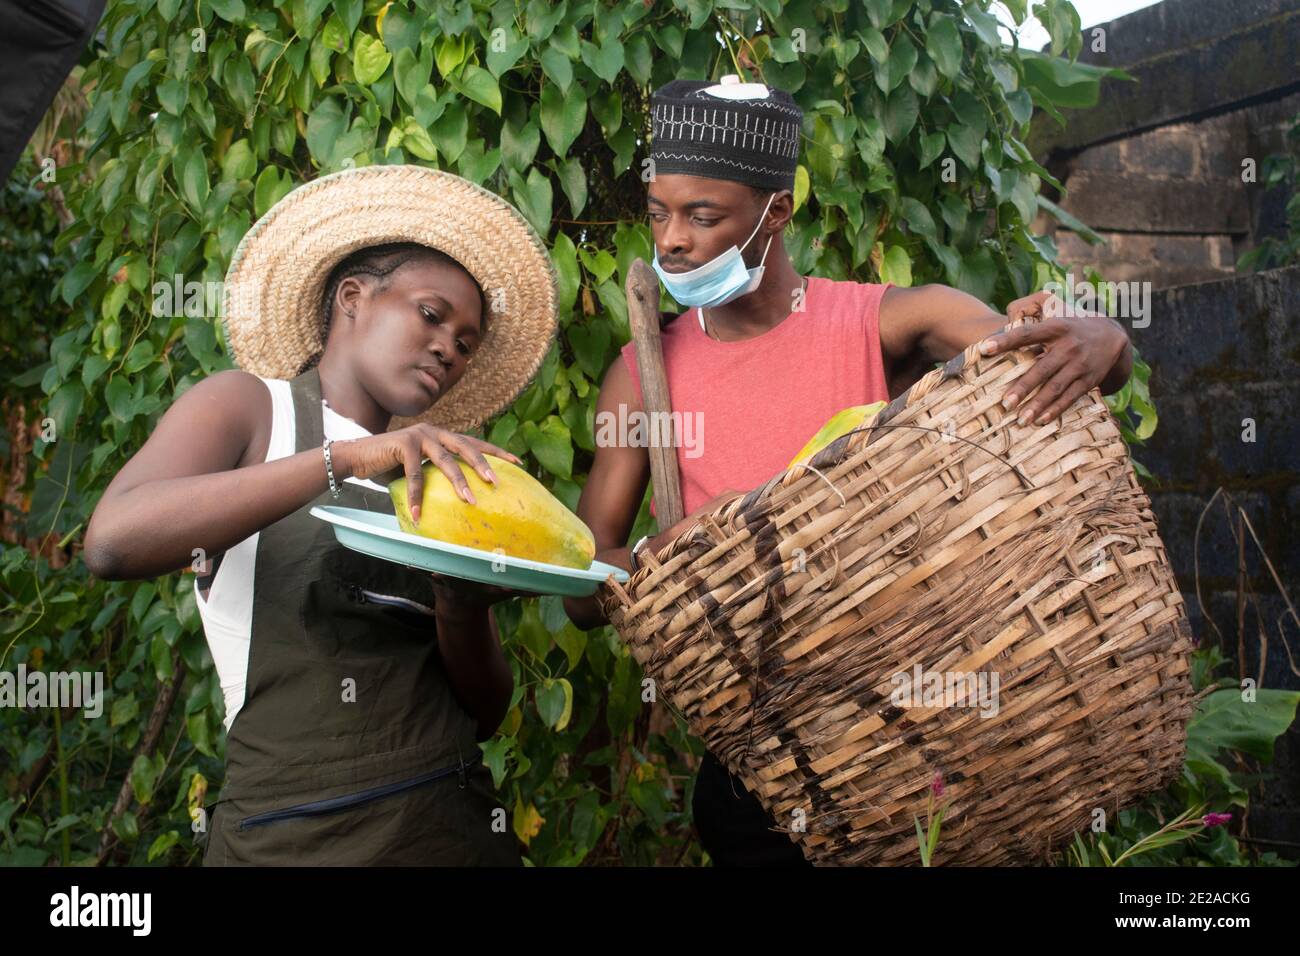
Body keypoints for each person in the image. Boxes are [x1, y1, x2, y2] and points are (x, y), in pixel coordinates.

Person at [564, 77, 1133, 866]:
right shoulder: (642, 374)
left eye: (702, 216)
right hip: (762, 770)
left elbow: (1044, 355)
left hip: (915, 742)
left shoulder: (888, 321)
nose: (671, 241)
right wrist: (670, 563)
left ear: (776, 213)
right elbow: (582, 585)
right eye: (659, 213)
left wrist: (1108, 337)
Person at [84, 164, 559, 865]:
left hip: (447, 827)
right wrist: (346, 458)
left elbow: (482, 713)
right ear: (353, 297)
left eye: (465, 345)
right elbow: (113, 542)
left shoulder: (439, 475)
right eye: (432, 315)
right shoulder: (249, 409)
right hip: (293, 836)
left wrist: (461, 604)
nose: (447, 350)